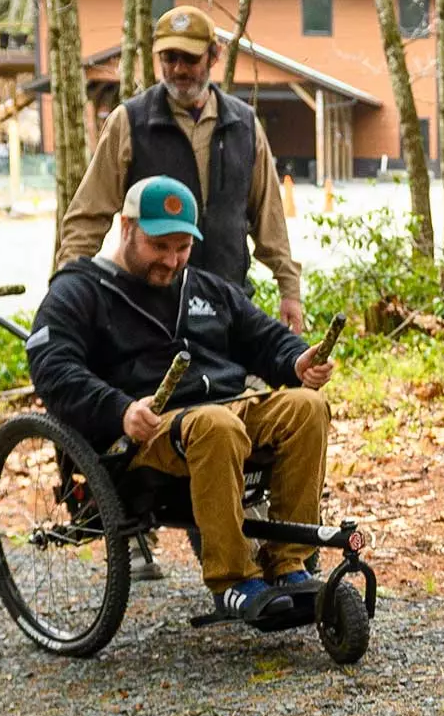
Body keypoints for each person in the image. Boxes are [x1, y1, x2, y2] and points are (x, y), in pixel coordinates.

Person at [28, 175, 334, 620]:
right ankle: (233, 579)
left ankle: (289, 563)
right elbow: (53, 369)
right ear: (126, 227)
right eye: (159, 246)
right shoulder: (79, 292)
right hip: (147, 429)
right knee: (215, 424)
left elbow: (264, 337)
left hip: (224, 409)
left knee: (308, 407)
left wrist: (296, 361)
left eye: (182, 247)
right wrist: (119, 409)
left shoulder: (204, 288)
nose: (171, 261)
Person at [54, 4, 303, 333]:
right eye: (169, 58)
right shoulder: (129, 122)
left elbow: (270, 219)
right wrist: (65, 292)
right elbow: (87, 216)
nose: (178, 69)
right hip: (146, 311)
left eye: (190, 59)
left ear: (214, 56)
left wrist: (290, 291)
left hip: (226, 305)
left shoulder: (244, 125)